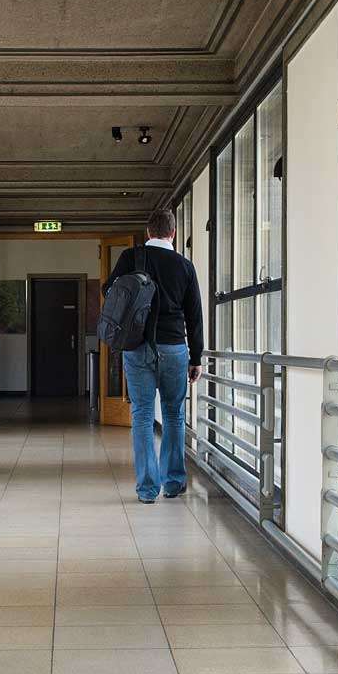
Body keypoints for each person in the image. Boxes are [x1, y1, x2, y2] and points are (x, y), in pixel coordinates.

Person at [104, 209, 204, 504]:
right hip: (174, 348)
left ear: (148, 232)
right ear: (173, 233)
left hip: (137, 346)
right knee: (174, 414)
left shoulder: (130, 258)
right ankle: (173, 482)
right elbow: (195, 317)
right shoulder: (184, 266)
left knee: (142, 415)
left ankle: (147, 489)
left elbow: (107, 291)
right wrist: (195, 358)